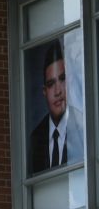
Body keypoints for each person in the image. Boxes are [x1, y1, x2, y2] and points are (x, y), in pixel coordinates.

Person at [30, 38, 83, 174]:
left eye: (62, 79)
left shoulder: (83, 126)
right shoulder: (35, 138)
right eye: (51, 84)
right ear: (44, 92)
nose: (58, 91)